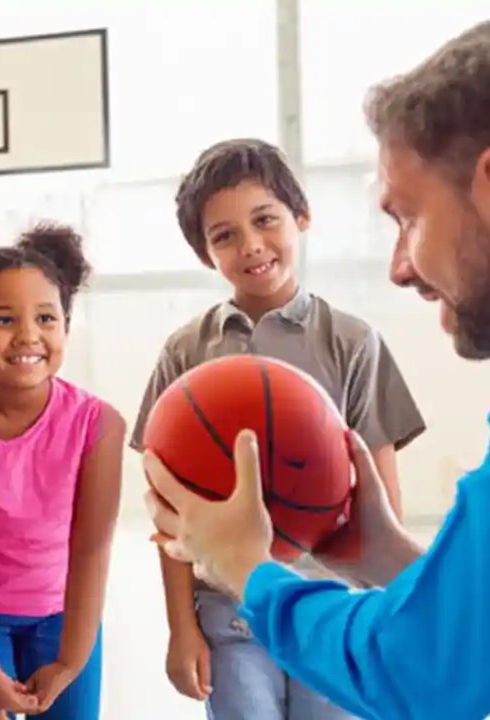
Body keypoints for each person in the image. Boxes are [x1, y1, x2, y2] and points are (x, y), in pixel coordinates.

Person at [142, 10, 490, 720]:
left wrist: (251, 574)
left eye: (406, 217)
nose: (399, 266)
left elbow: (423, 673)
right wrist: (382, 556)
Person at [129, 138, 425, 720]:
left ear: (302, 217)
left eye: (265, 220)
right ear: (204, 253)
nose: (251, 245)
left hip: (331, 605)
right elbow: (168, 509)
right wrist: (180, 628)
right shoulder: (187, 350)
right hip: (228, 605)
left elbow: (381, 499)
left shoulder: (352, 342)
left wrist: (384, 616)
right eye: (224, 236)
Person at [0, 223, 124, 720]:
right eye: (5, 319)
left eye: (46, 318)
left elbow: (91, 549)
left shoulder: (99, 426)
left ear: (66, 330)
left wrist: (71, 660)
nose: (28, 335)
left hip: (62, 616)